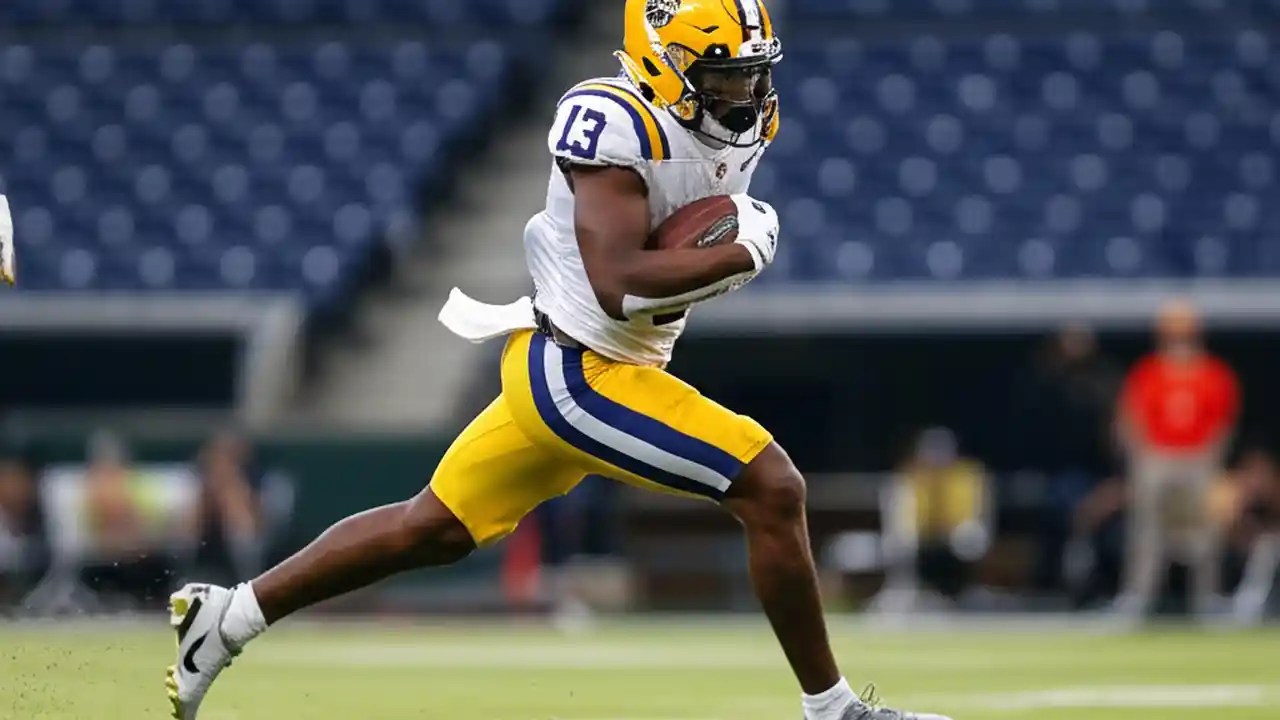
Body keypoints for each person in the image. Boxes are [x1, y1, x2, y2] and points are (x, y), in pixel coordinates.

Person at [163, 3, 952, 719]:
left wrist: (725, 250)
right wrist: (738, 252)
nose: (743, 91)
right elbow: (617, 286)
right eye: (722, 74)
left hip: (596, 365)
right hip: (579, 371)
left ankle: (224, 618)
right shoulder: (611, 120)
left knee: (429, 528)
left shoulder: (731, 123)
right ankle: (835, 712)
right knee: (771, 485)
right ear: (661, 65)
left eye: (751, 71)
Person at [1115, 299, 1240, 618]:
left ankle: (1207, 598)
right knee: (1146, 530)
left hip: (1198, 458)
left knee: (1207, 529)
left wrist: (1212, 463)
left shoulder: (1213, 373)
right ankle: (1138, 598)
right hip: (1157, 457)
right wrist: (1140, 459)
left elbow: (1222, 424)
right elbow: (1133, 418)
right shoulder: (1149, 371)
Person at [1010, 322, 1121, 593]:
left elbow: (1118, 450)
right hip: (1058, 476)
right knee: (1053, 520)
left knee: (1109, 531)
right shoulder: (1047, 382)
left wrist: (1113, 487)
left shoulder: (1105, 383)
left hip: (1103, 479)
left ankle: (1099, 588)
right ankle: (1049, 587)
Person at [192, 430, 267, 585]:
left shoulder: (252, 489)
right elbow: (184, 542)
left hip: (243, 575)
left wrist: (231, 499)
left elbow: (251, 540)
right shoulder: (197, 490)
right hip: (201, 570)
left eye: (225, 461)